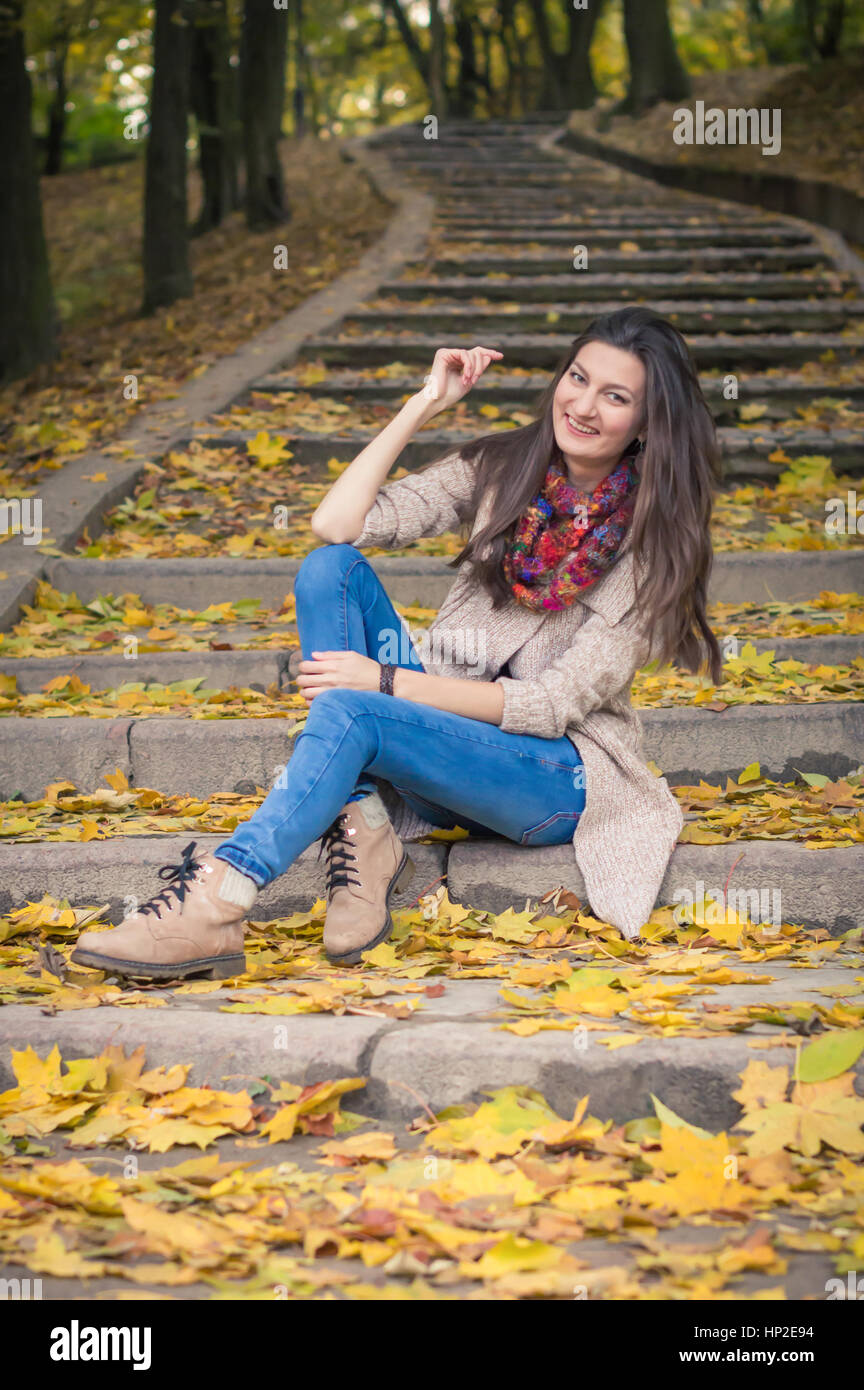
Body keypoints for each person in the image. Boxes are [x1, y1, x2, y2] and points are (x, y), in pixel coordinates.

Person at [72, 306, 722, 981]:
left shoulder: (653, 547)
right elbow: (337, 523)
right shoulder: (503, 468)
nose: (583, 405)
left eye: (614, 396)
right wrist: (425, 403)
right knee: (330, 571)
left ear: (647, 422)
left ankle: (220, 897)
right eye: (578, 378)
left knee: (355, 705)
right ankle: (365, 831)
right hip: (444, 748)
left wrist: (383, 683)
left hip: (553, 782)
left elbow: (551, 706)